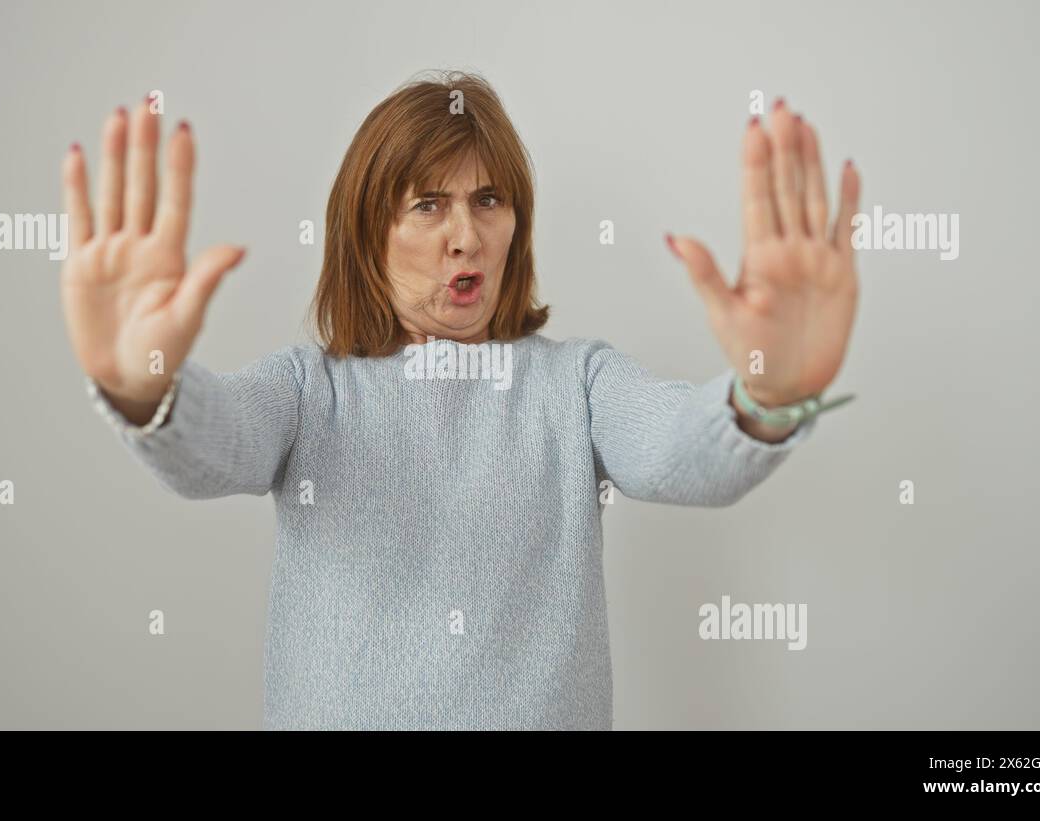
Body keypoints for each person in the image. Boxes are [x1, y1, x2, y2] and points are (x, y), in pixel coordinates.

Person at [58, 71, 860, 730]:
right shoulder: (310, 391)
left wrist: (770, 389)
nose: (466, 236)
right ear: (369, 237)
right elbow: (212, 445)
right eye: (427, 204)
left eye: (488, 200)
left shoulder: (575, 384)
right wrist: (143, 380)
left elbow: (681, 451)